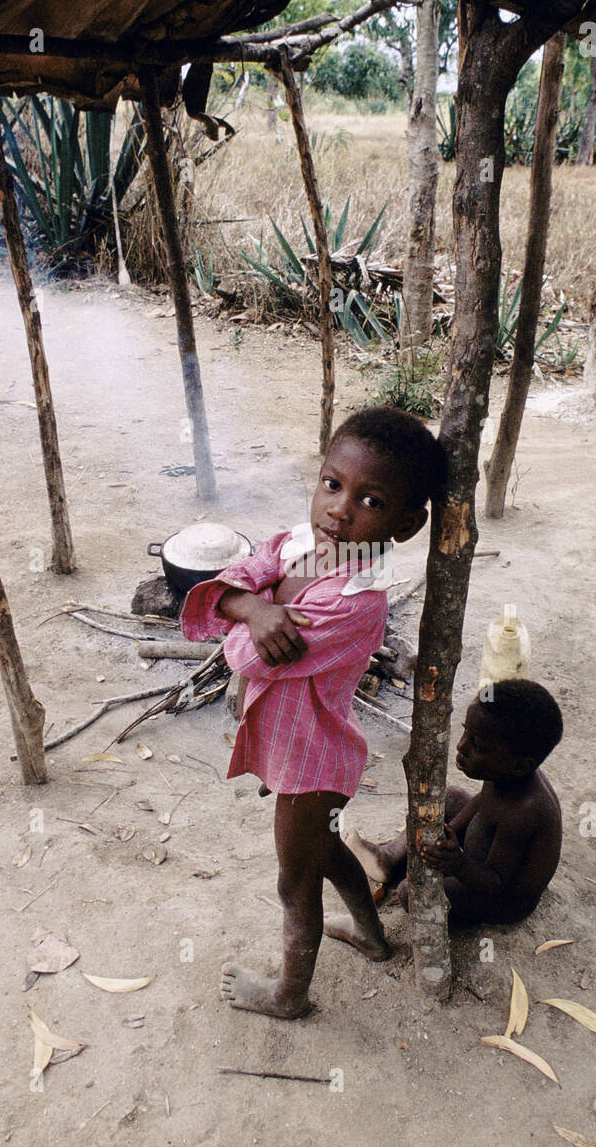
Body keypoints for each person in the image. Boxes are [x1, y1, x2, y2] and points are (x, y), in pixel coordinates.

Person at [180, 407, 447, 1017]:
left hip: (309, 765)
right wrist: (254, 604)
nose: (340, 510)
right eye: (332, 484)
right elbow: (239, 576)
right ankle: (372, 937)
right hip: (301, 751)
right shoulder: (304, 545)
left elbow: (246, 656)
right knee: (324, 856)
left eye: (370, 500)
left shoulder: (357, 603)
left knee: (293, 882)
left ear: (406, 524)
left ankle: (288, 996)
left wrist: (250, 607)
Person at [348, 679, 563, 925]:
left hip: (500, 899)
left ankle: (416, 874)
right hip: (481, 857)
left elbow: (496, 882)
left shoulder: (523, 811)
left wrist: (458, 864)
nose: (461, 746)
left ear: (519, 765)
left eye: (478, 746)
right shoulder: (509, 773)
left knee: (411, 892)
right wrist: (452, 830)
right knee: (451, 796)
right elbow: (483, 799)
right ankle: (388, 859)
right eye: (465, 731)